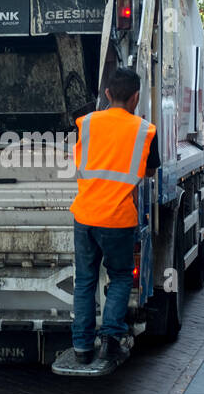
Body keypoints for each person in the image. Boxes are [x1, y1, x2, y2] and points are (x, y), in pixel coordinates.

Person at [59, 66, 159, 372]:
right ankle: (110, 344)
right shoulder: (144, 130)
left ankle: (81, 347)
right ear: (136, 97)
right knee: (119, 278)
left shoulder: (86, 123)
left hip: (85, 214)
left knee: (85, 280)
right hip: (117, 218)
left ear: (106, 94)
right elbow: (150, 171)